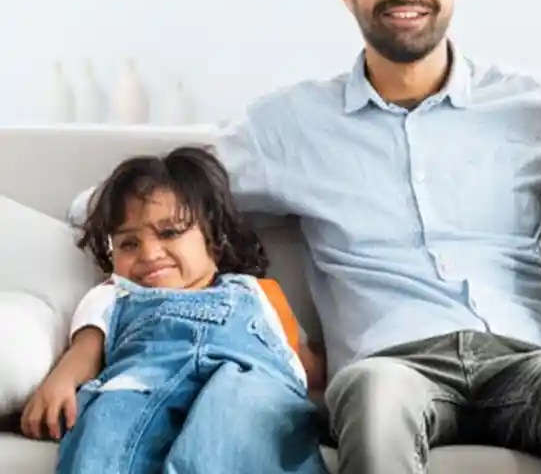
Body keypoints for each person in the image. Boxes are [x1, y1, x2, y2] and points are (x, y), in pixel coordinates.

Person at [217, 0, 541, 474]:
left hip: (529, 358)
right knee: (376, 396)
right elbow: (159, 201)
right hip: (390, 364)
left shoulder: (536, 108)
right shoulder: (287, 126)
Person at [21, 147, 324, 474]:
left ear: (214, 237)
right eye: (129, 244)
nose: (149, 253)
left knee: (241, 418)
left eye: (169, 233)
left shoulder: (260, 292)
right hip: (144, 382)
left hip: (243, 379)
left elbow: (302, 366)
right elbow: (86, 350)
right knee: (107, 422)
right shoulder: (113, 294)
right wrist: (61, 381)